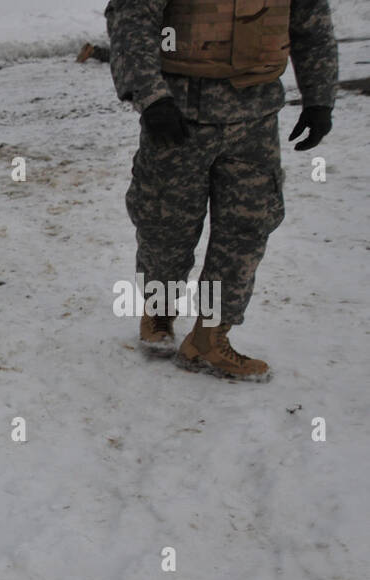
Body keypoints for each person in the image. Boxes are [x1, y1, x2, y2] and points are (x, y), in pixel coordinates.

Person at [106, 0, 337, 379]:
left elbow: (311, 24)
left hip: (256, 115)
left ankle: (208, 338)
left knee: (245, 230)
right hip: (178, 113)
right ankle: (159, 310)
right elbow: (132, 18)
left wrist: (320, 98)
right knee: (166, 223)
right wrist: (150, 97)